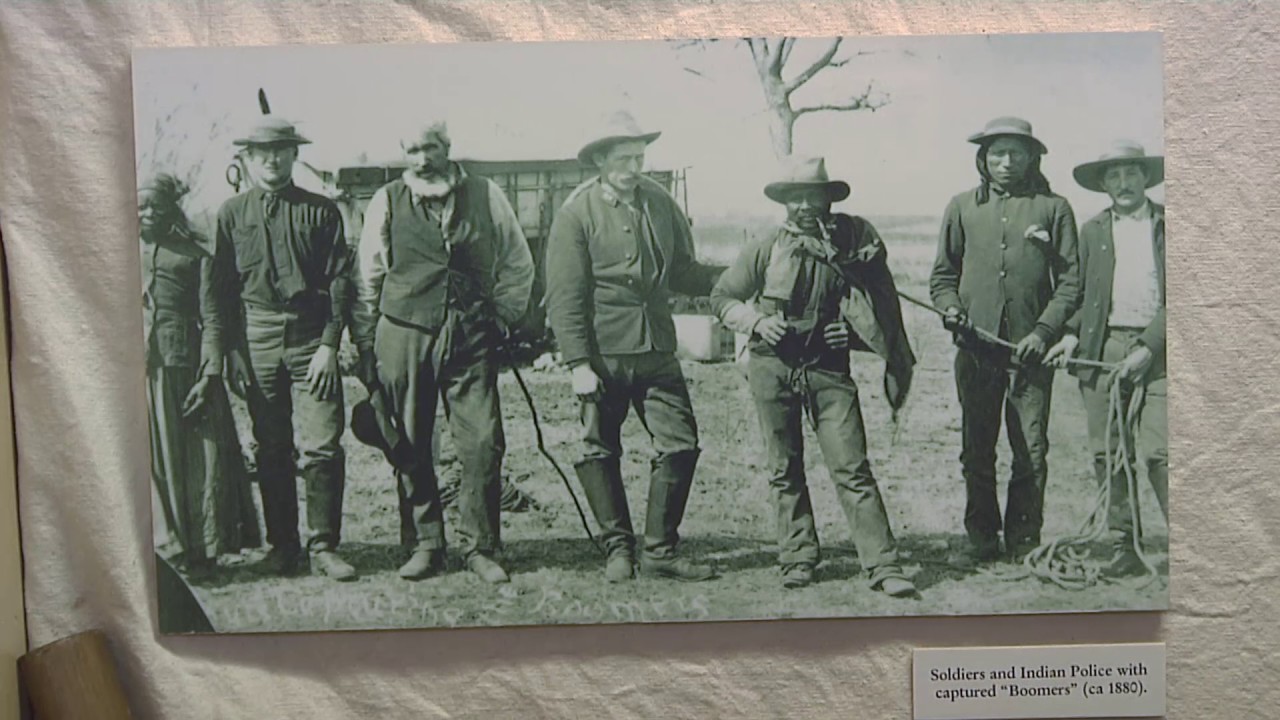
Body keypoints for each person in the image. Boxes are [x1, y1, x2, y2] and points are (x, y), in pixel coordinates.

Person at [710, 157, 917, 596]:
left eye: (814, 196)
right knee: (784, 468)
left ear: (828, 199)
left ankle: (883, 565)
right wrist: (756, 322)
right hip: (772, 368)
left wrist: (853, 336)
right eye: (796, 197)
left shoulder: (851, 245)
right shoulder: (766, 246)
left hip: (829, 370)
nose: (805, 205)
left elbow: (879, 307)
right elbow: (723, 296)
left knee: (852, 467)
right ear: (785, 202)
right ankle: (798, 557)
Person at [351, 121, 534, 584]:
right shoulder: (386, 200)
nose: (421, 160)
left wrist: (504, 316)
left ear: (447, 148)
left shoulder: (487, 194)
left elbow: (517, 260)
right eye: (411, 150)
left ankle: (481, 548)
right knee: (409, 441)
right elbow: (369, 274)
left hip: (471, 335)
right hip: (404, 331)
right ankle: (425, 543)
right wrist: (370, 342)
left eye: (429, 148)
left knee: (483, 441)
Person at [545, 110, 719, 583]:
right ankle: (618, 548)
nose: (635, 167)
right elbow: (565, 298)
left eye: (639, 157)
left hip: (658, 349)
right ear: (600, 160)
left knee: (680, 444)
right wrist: (579, 362)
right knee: (599, 449)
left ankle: (660, 550)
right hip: (603, 354)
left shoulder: (660, 203)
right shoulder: (575, 213)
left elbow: (683, 271)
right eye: (624, 158)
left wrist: (733, 277)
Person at [207, 116, 356, 581]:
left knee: (322, 446)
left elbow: (340, 282)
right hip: (256, 339)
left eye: (281, 150)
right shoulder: (231, 214)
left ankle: (323, 546)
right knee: (270, 446)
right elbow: (218, 291)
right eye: (261, 152)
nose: (271, 159)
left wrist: (330, 345)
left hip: (312, 338)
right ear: (248, 159)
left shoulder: (322, 211)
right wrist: (229, 349)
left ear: (295, 155)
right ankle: (282, 546)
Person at [929, 116, 1081, 566]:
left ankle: (1024, 540)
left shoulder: (1054, 208)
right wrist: (951, 309)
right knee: (977, 446)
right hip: (976, 351)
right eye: (997, 153)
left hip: (1030, 355)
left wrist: (1043, 332)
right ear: (983, 158)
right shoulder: (961, 207)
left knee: (1030, 449)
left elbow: (1071, 282)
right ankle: (980, 537)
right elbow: (942, 277)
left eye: (1016, 153)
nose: (1007, 162)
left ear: (1033, 157)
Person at [1044, 140, 1167, 576]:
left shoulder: (1168, 225)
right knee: (1107, 453)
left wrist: (1150, 347)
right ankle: (1123, 546)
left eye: (1131, 173)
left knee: (1158, 453)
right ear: (1103, 184)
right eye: (1113, 176)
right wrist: (1073, 336)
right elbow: (1083, 295)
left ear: (1145, 178)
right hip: (1104, 350)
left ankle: (1198, 550)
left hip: (1163, 351)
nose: (1123, 183)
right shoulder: (1093, 230)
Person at [140, 173, 260, 578]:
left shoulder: (195, 256)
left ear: (171, 208)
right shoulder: (119, 255)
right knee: (153, 462)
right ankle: (161, 546)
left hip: (184, 368)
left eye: (155, 205)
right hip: (139, 369)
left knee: (194, 461)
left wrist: (210, 372)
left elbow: (213, 320)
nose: (147, 213)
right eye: (140, 206)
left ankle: (202, 551)